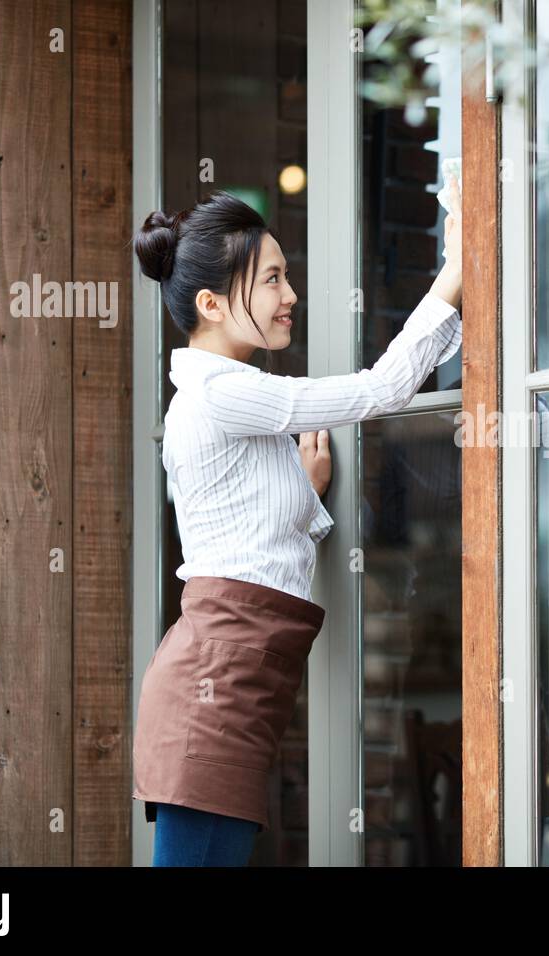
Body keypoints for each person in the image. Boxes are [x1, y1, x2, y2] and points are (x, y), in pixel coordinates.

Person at [130, 185, 462, 866]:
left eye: (287, 275)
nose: (291, 295)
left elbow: (250, 546)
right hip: (213, 690)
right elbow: (380, 390)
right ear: (212, 304)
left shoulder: (221, 397)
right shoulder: (223, 392)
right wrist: (455, 275)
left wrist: (304, 493)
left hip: (234, 683)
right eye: (273, 278)